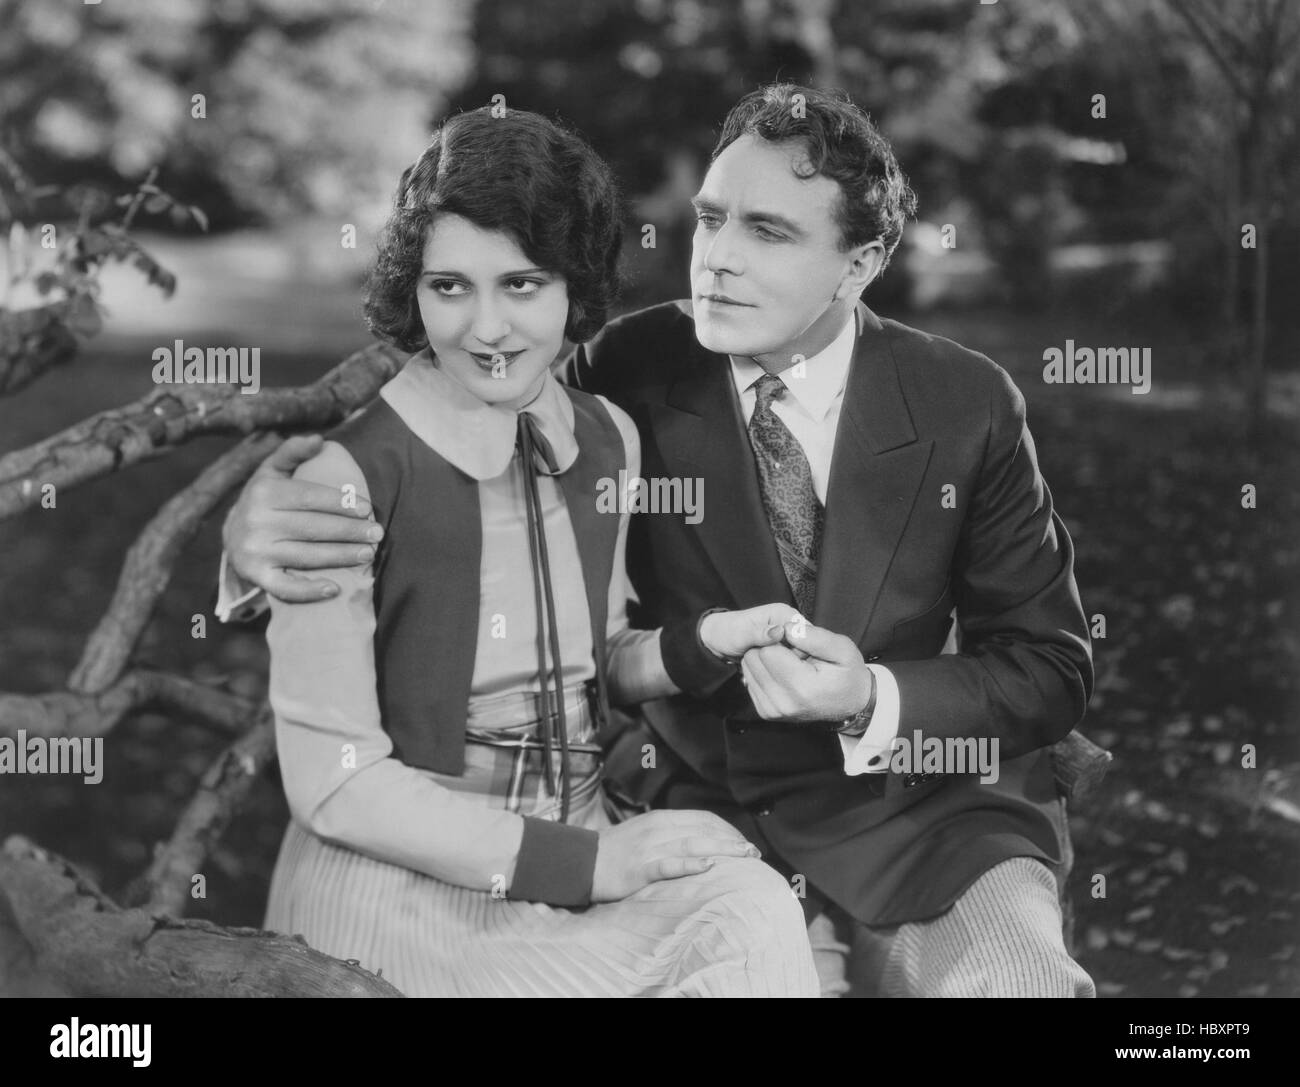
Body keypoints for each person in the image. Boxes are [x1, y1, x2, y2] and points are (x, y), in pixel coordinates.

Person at [221, 85, 1095, 997]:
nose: (716, 261)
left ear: (860, 263)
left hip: (923, 824)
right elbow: (448, 378)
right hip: (698, 816)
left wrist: (868, 696)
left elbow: (1049, 668)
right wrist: (253, 540)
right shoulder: (627, 370)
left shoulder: (965, 402)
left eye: (768, 232)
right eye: (711, 219)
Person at [237, 106, 819, 997]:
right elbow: (337, 787)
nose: (485, 328)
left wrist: (708, 642)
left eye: (521, 284)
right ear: (412, 289)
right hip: (402, 880)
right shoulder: (340, 480)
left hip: (583, 837)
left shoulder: (607, 438)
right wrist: (588, 863)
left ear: (573, 290)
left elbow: (600, 654)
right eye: (448, 287)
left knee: (755, 913)